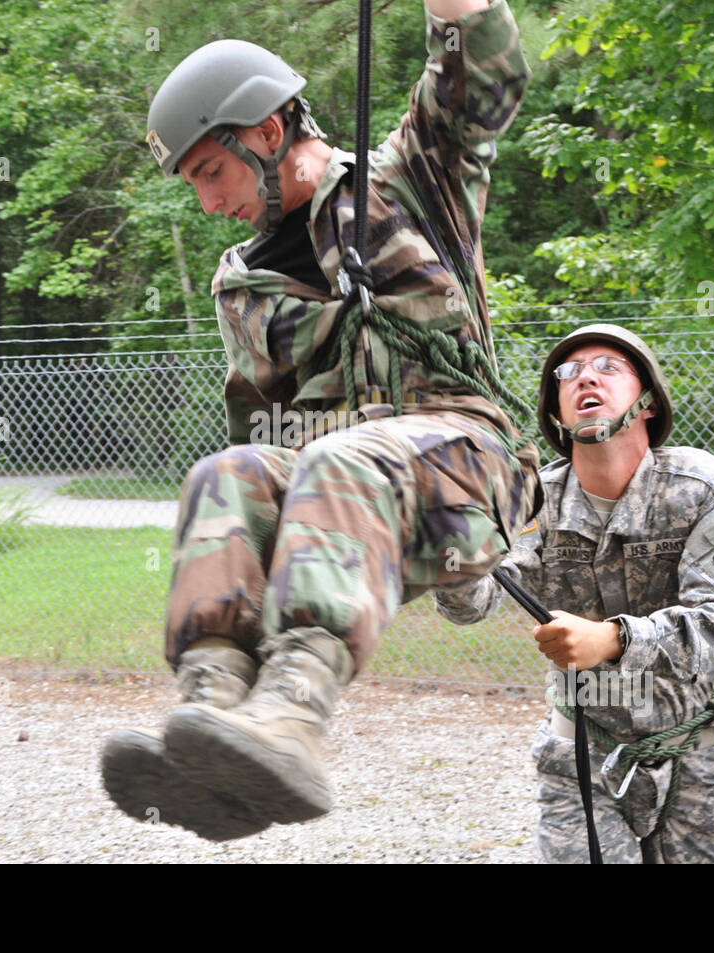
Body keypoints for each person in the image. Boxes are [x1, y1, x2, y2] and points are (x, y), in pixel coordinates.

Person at [101, 0, 540, 841]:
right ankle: (213, 712)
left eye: (208, 172)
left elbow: (479, 72)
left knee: (341, 457)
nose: (205, 203)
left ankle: (295, 715)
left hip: (467, 460)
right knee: (223, 478)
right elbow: (263, 434)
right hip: (352, 493)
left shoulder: (413, 178)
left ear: (265, 132)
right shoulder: (245, 283)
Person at [434, 324, 714, 863]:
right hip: (580, 757)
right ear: (557, 414)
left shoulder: (701, 488)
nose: (584, 377)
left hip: (695, 753)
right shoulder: (533, 502)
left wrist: (615, 639)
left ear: (647, 404)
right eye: (567, 374)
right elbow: (473, 604)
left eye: (607, 367)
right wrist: (452, 547)